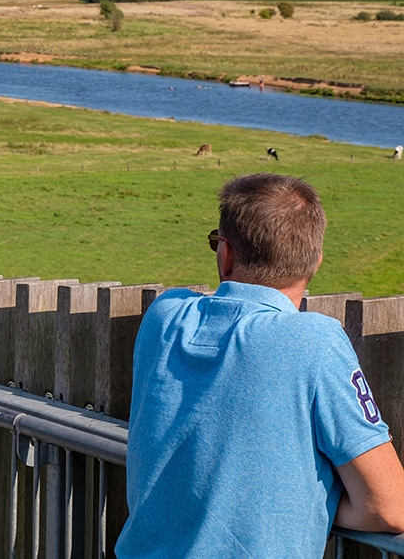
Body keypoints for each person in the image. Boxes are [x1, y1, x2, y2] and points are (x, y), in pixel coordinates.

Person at [118, 172, 404, 558]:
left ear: (226, 253)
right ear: (315, 261)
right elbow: (391, 506)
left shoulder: (164, 316)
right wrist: (302, 505)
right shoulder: (316, 342)